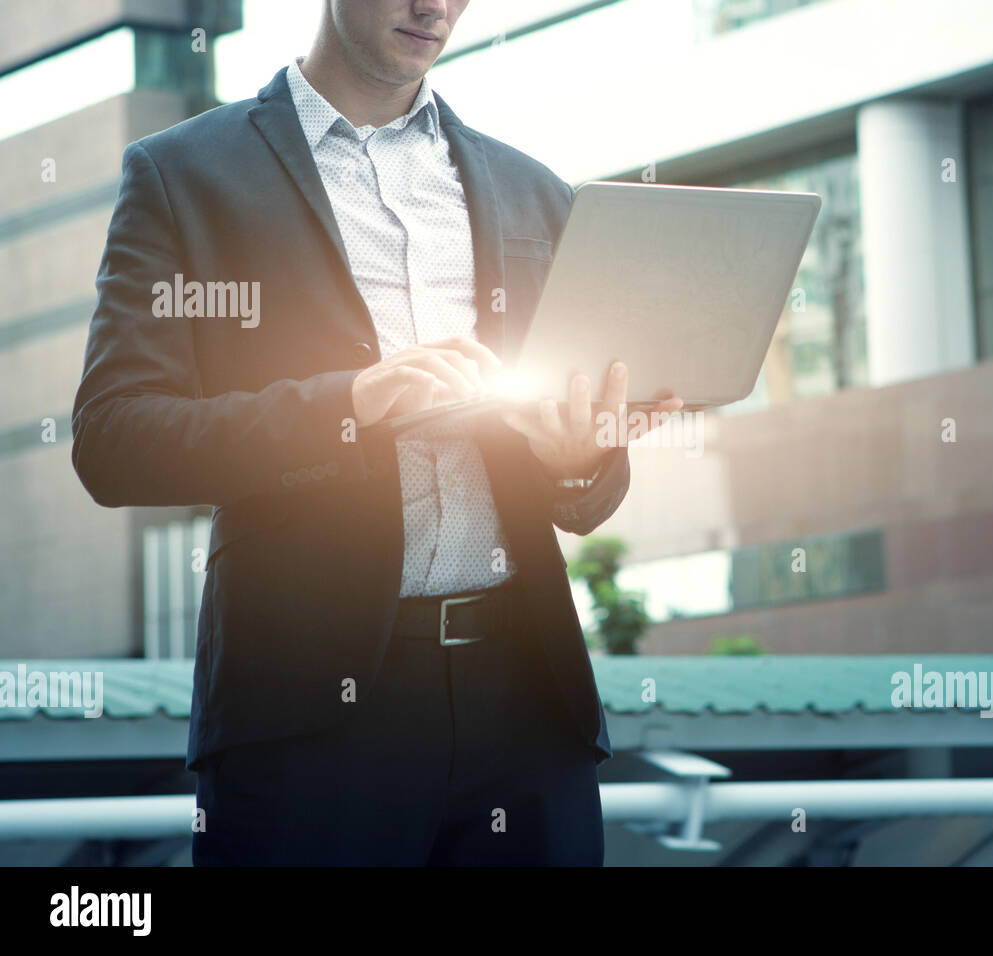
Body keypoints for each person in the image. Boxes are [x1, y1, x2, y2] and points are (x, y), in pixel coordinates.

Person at [71, 0, 681, 866]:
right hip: (305, 717)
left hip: (527, 710)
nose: (434, 6)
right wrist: (350, 405)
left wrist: (581, 461)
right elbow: (113, 438)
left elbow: (587, 497)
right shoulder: (182, 177)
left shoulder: (535, 190)